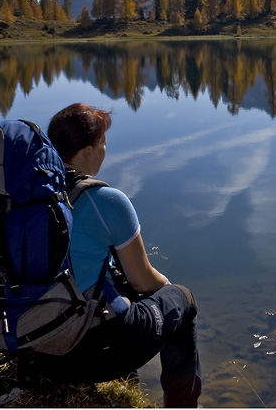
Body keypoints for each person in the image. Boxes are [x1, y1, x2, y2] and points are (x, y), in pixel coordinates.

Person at [44, 102, 201, 407]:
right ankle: (183, 405)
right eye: (102, 142)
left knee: (114, 289)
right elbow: (144, 282)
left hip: (32, 350)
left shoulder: (31, 199)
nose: (105, 149)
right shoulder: (107, 201)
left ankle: (128, 388)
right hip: (84, 355)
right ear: (89, 149)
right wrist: (168, 288)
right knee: (183, 301)